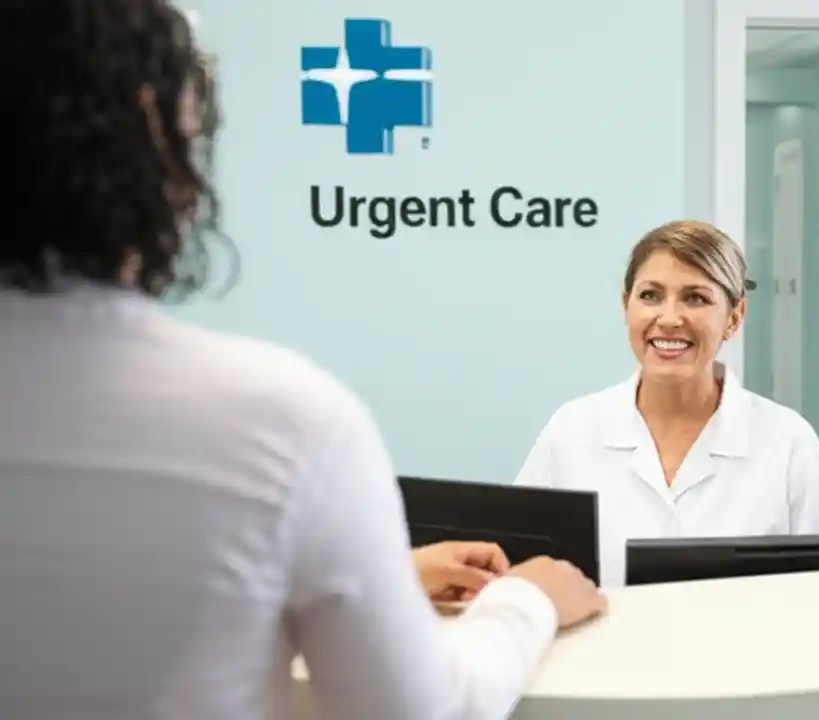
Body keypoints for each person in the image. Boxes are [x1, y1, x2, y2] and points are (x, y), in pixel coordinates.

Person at [0, 2, 604, 719]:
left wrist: (372, 581)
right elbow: (424, 709)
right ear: (156, 138)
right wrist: (524, 600)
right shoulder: (279, 425)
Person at [514, 220, 819, 587]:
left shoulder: (788, 442)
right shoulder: (572, 429)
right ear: (626, 306)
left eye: (696, 298)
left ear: (734, 318)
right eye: (650, 296)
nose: (670, 318)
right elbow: (519, 567)